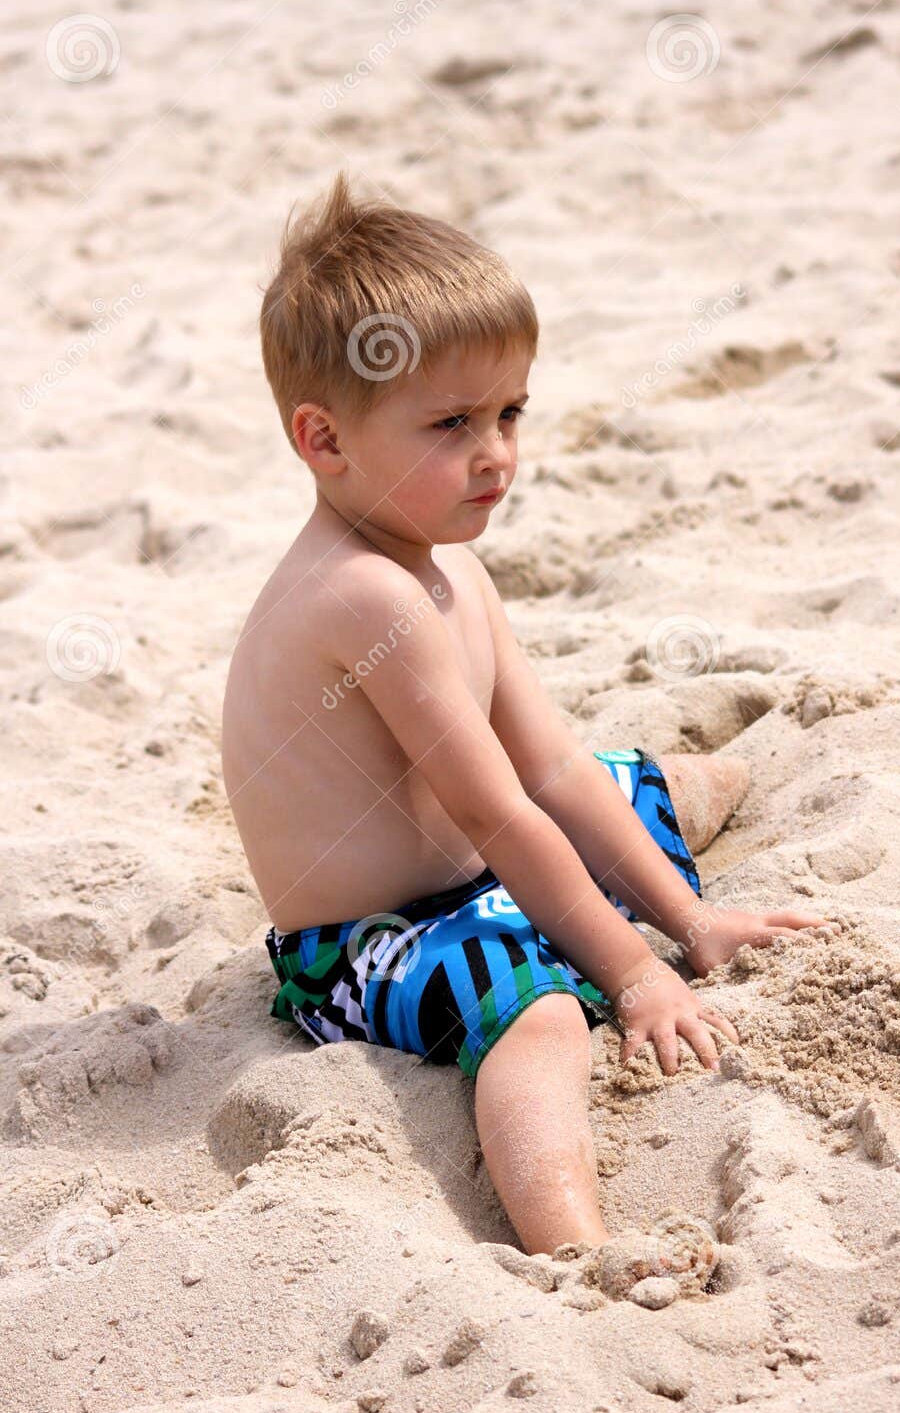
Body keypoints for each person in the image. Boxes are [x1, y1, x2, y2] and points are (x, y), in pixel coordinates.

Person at [221, 173, 831, 1284]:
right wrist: (636, 975)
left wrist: (691, 923)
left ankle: (682, 845)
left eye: (509, 413)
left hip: (486, 872)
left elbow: (547, 763)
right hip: (372, 942)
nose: (495, 452)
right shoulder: (360, 596)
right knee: (537, 1011)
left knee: (631, 781)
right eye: (451, 424)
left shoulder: (448, 562)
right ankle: (572, 1245)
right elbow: (501, 812)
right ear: (324, 438)